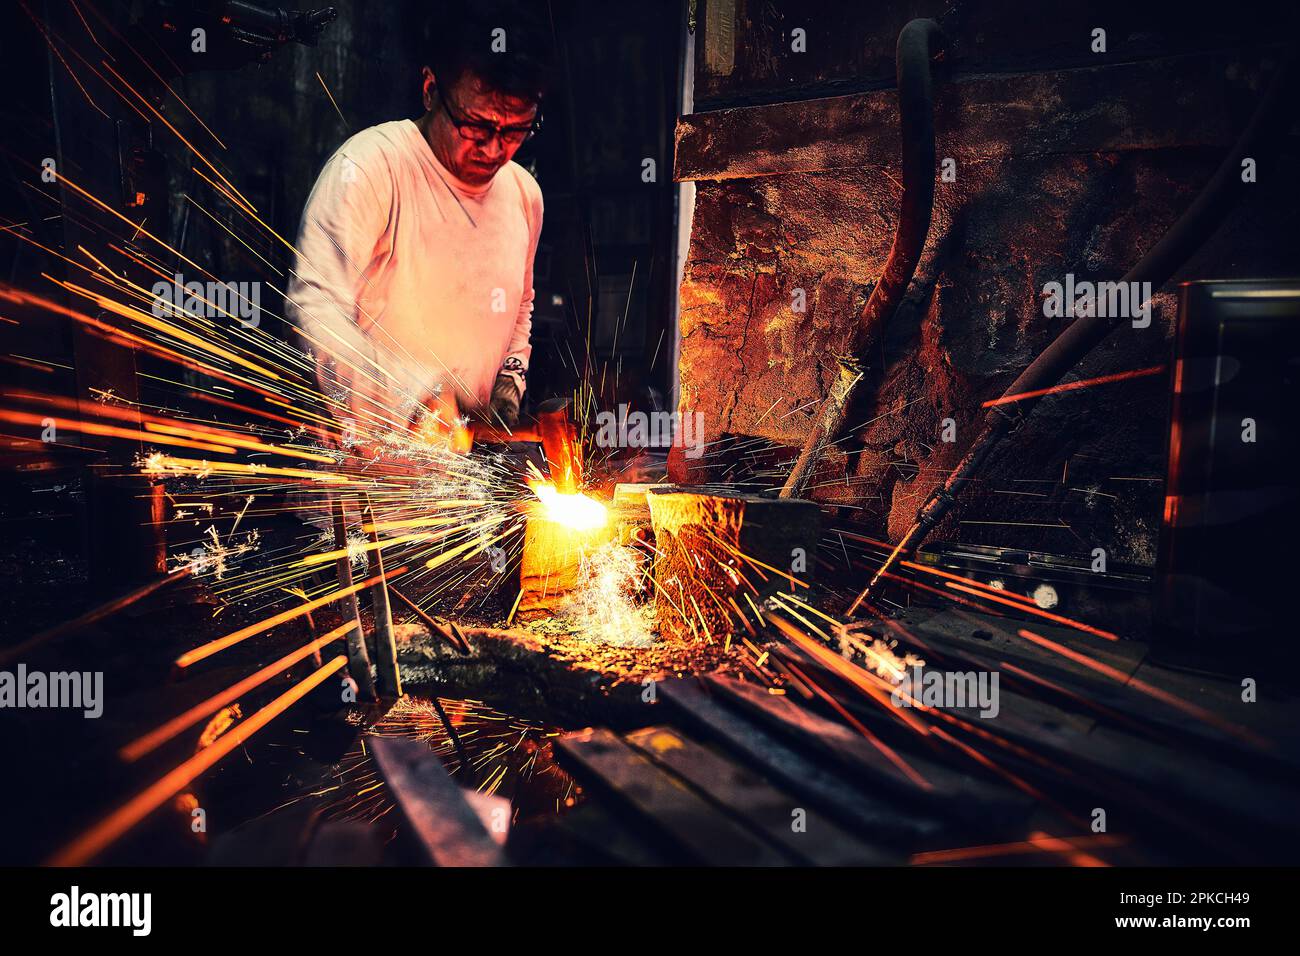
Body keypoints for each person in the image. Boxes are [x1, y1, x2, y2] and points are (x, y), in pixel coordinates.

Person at [286, 3, 551, 452]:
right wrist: (413, 399)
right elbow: (315, 310)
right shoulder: (370, 168)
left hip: (459, 496)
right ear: (431, 90)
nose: (493, 149)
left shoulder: (525, 195)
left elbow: (520, 306)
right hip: (361, 499)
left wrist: (510, 380)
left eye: (515, 131)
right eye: (475, 125)